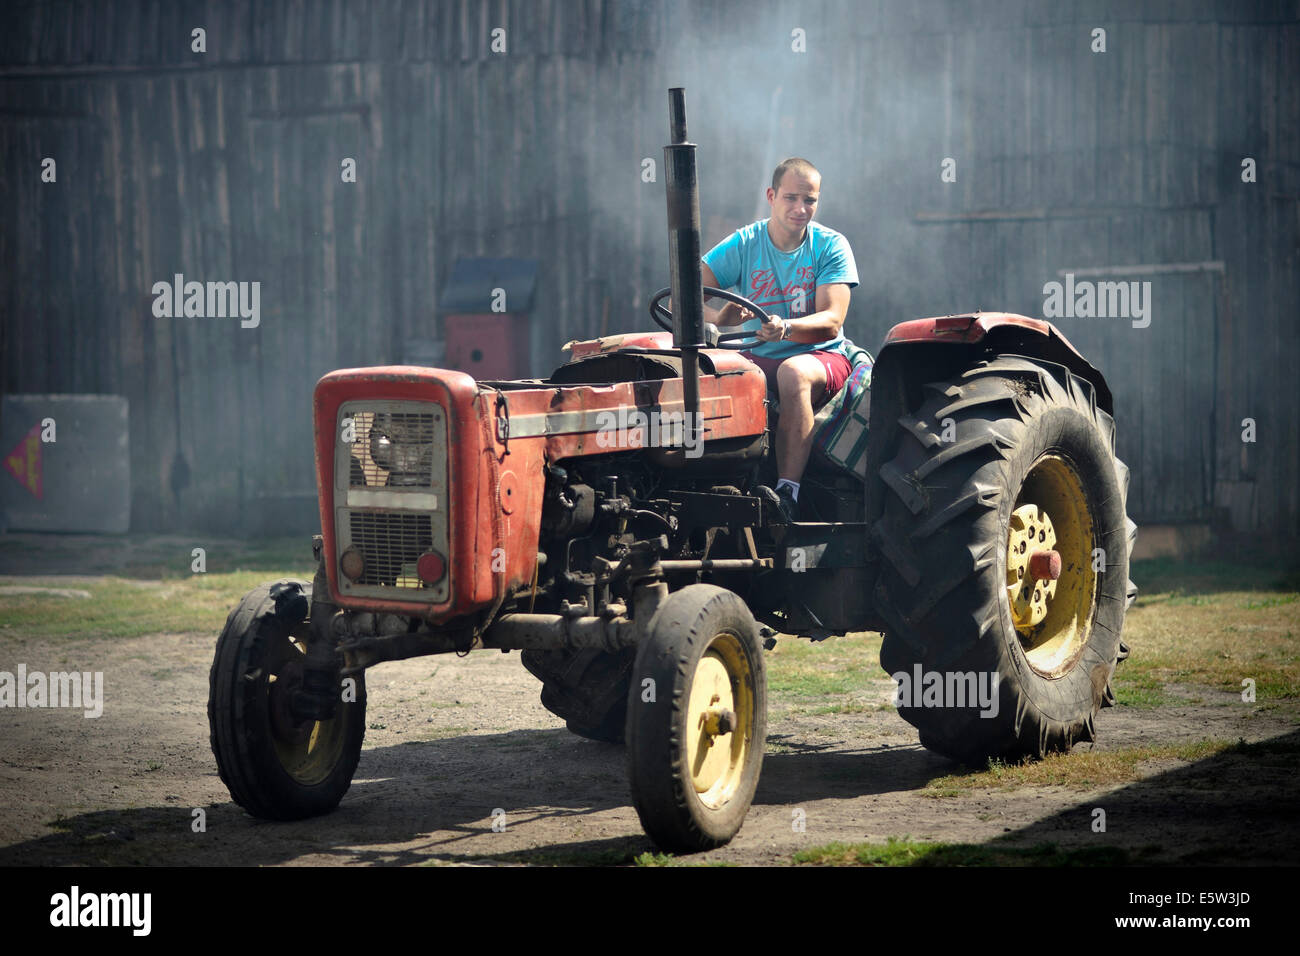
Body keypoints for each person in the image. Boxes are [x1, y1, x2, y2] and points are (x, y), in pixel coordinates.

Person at [700, 157, 859, 522]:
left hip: (819, 356)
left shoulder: (831, 246)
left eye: (810, 200)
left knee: (793, 374)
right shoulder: (743, 243)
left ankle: (787, 494)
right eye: (791, 198)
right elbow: (682, 300)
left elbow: (832, 321)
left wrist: (786, 327)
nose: (801, 209)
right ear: (771, 196)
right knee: (709, 374)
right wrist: (718, 318)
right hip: (756, 355)